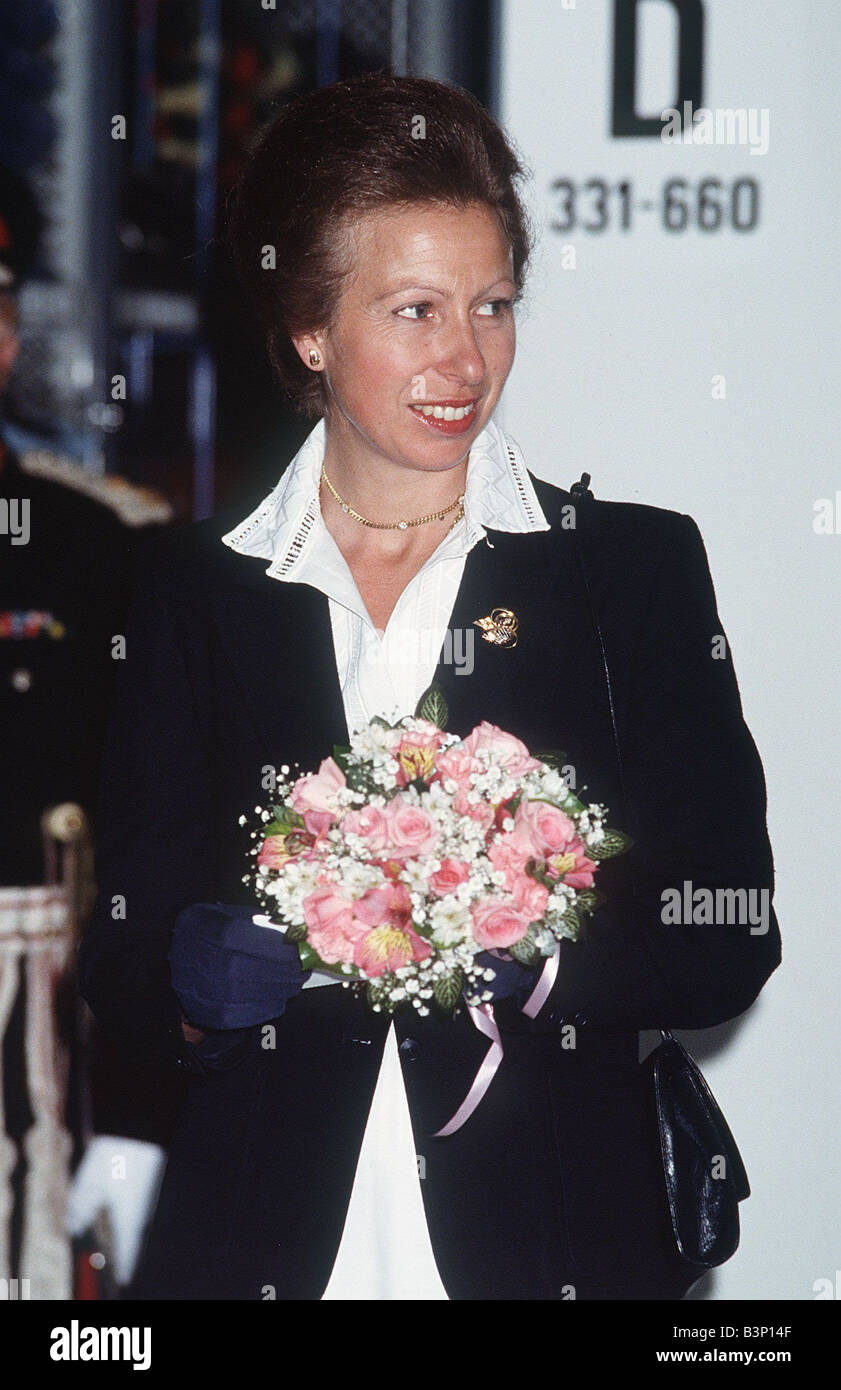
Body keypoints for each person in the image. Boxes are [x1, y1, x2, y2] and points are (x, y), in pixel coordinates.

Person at [78, 73, 781, 1301]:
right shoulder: (193, 587)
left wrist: (542, 950)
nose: (467, 358)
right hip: (261, 1239)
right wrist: (189, 994)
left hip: (552, 1238)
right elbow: (123, 966)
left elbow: (730, 922)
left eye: (494, 305)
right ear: (310, 328)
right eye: (415, 311)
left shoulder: (629, 568)